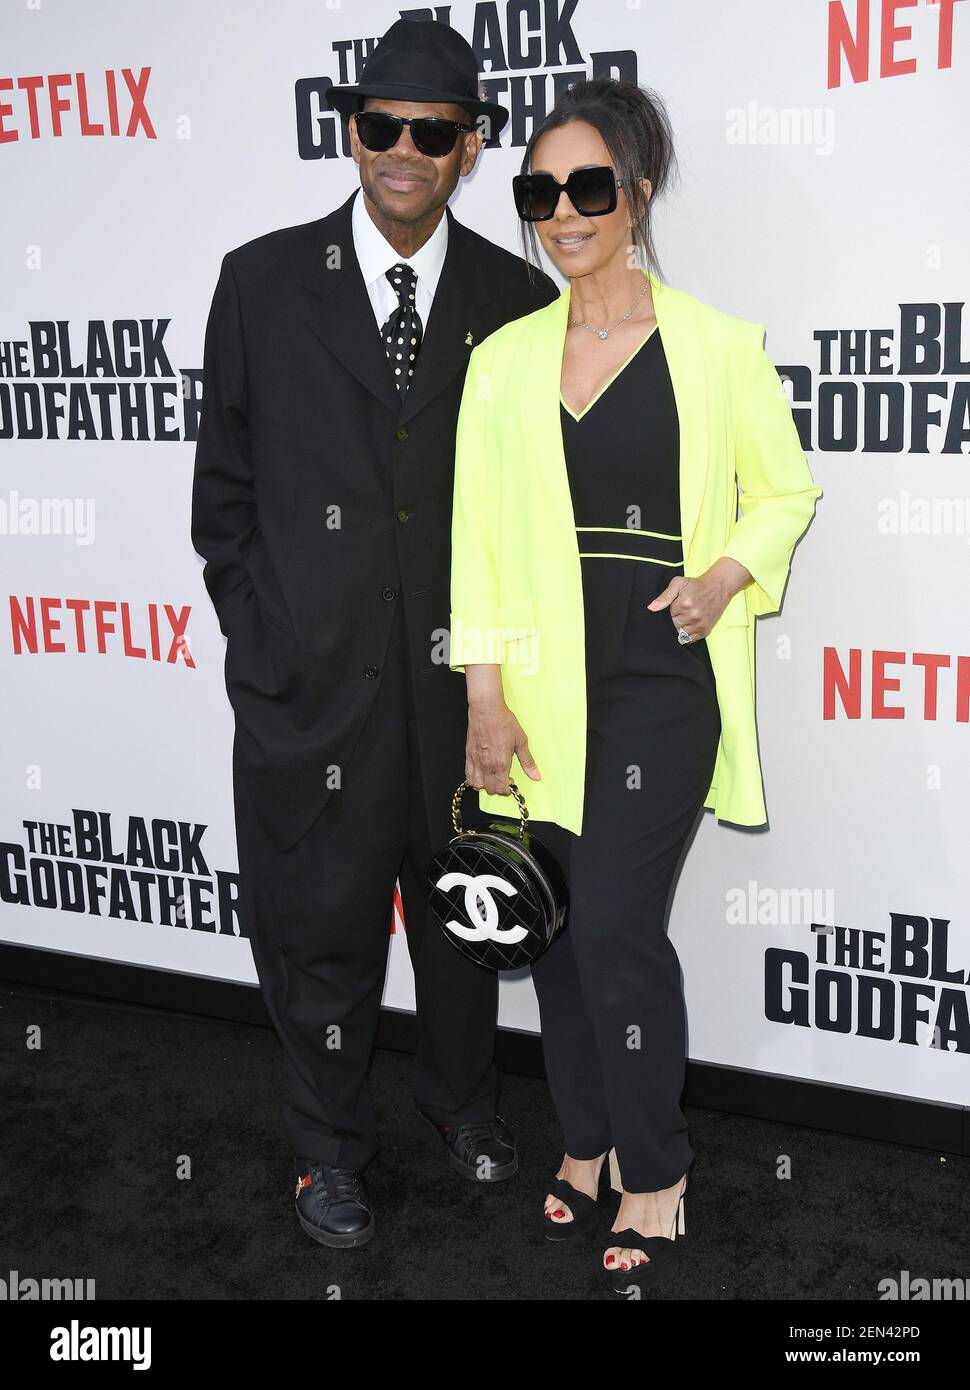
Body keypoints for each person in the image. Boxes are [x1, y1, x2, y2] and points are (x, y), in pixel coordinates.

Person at [449, 76, 822, 1292]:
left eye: (589, 187)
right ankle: (588, 1136)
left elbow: (784, 492)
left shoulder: (717, 347)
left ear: (638, 191)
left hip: (660, 678)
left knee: (612, 922)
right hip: (542, 688)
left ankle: (655, 1165)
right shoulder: (501, 361)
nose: (563, 214)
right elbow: (478, 543)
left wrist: (724, 575)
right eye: (540, 192)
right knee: (555, 936)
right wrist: (483, 697)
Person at [190, 17, 558, 1249]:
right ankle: (323, 1151)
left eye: (433, 130)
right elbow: (224, 499)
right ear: (349, 130)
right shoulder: (260, 279)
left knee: (460, 919)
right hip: (310, 689)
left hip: (464, 689)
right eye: (381, 123)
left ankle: (460, 1103)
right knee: (319, 923)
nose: (402, 150)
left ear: (468, 148)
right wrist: (266, 643)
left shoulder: (517, 299)